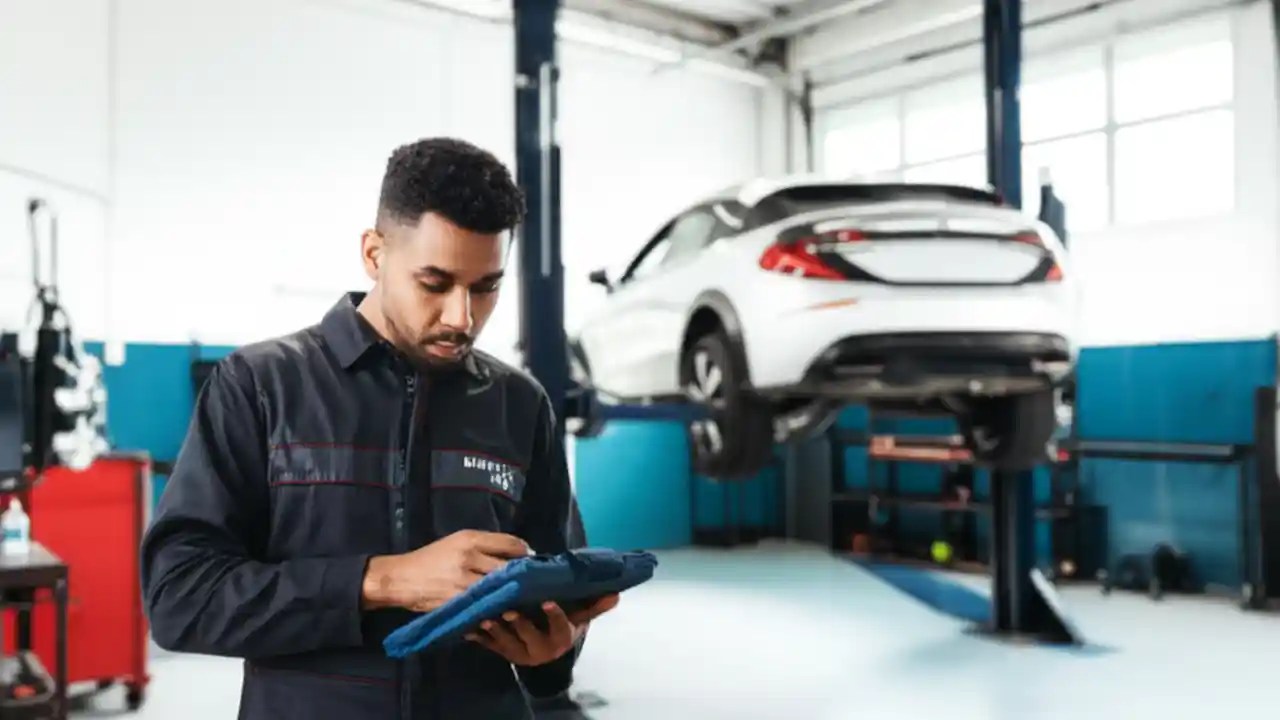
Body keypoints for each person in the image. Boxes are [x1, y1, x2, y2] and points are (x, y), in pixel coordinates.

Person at [140, 137, 620, 720]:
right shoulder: (261, 387)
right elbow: (180, 599)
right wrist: (382, 581)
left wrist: (552, 657)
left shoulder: (520, 405)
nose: (462, 317)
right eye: (435, 283)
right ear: (374, 254)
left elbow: (552, 596)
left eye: (486, 287)